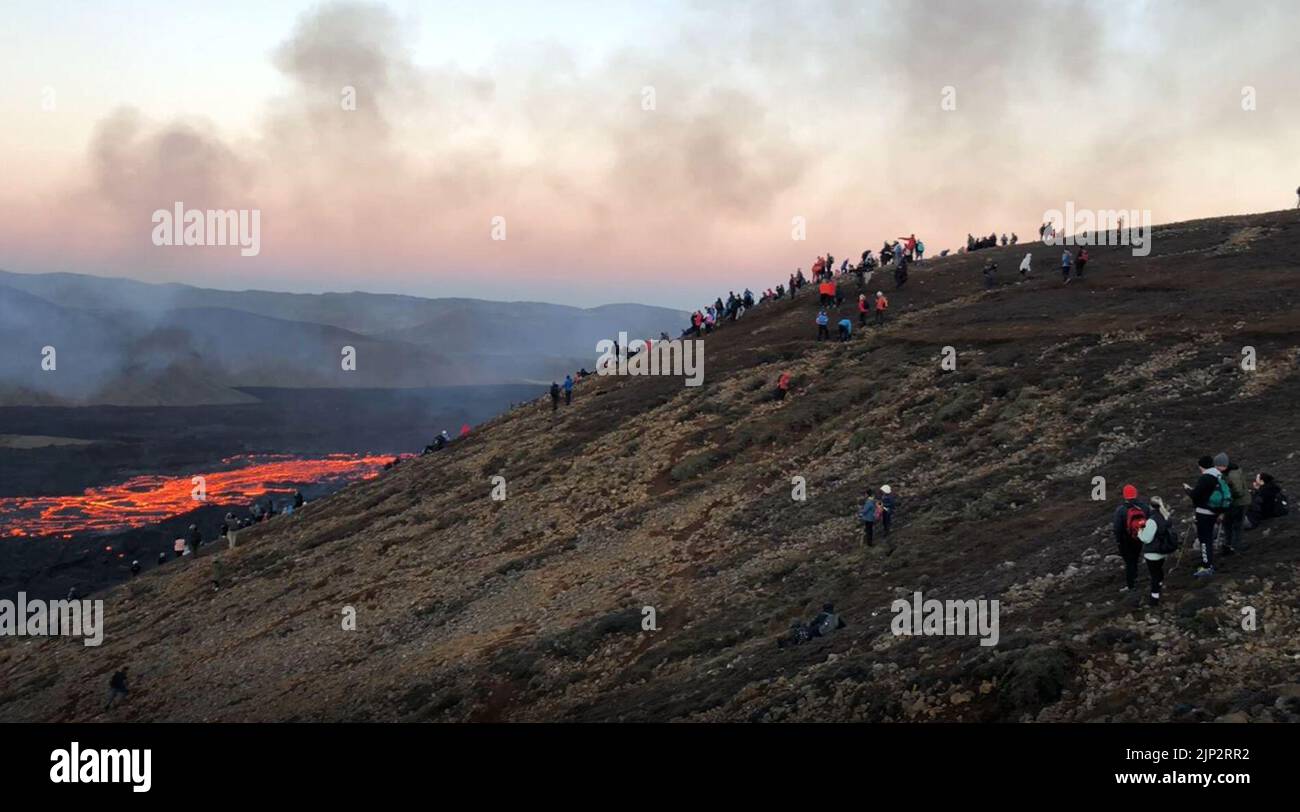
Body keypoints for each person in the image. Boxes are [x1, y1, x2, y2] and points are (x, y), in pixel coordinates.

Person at [1185, 455, 1231, 577]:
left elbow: (1196, 495)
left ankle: (1207, 566)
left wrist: (1188, 490)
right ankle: (1208, 562)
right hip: (1214, 512)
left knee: (1204, 540)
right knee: (1208, 538)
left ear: (1202, 466)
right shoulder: (1218, 475)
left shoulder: (1206, 477)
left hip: (1204, 513)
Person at [1140, 496, 1179, 606]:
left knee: (1154, 575)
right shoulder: (1166, 517)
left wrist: (1140, 529)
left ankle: (1154, 597)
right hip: (1164, 550)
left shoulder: (1152, 520)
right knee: (1158, 571)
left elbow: (1146, 538)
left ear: (1150, 506)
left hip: (1153, 552)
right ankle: (1160, 587)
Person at [1112, 484, 1150, 592]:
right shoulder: (1144, 507)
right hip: (1139, 538)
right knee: (1135, 559)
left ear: (1124, 496)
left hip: (1126, 541)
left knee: (1129, 563)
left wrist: (1119, 541)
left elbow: (1117, 528)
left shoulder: (1121, 510)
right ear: (1136, 494)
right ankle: (1136, 579)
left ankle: (1131, 586)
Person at [1217, 452, 1248, 554]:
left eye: (1218, 466)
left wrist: (1227, 494)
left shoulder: (1232, 475)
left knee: (1236, 525)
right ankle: (1230, 544)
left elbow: (1238, 491)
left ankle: (1236, 546)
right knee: (1229, 523)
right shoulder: (1229, 472)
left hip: (1239, 503)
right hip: (1235, 502)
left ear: (1223, 465)